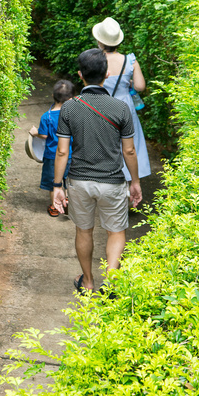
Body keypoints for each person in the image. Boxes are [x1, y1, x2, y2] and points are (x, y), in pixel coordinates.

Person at [52, 49, 142, 294]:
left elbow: (62, 152)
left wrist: (57, 186)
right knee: (115, 231)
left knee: (84, 231)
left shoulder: (69, 108)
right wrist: (134, 181)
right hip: (112, 181)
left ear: (80, 75)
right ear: (108, 74)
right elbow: (129, 152)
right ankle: (111, 283)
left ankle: (89, 282)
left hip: (79, 182)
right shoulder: (121, 108)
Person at [92, 17, 151, 182]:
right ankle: (128, 181)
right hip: (125, 106)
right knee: (129, 145)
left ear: (100, 41)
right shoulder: (130, 60)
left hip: (100, 106)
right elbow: (140, 86)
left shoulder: (96, 60)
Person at [30, 79, 74, 216]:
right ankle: (66, 202)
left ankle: (55, 206)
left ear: (53, 96)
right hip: (70, 154)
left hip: (51, 156)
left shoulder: (46, 117)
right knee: (66, 179)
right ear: (71, 98)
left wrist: (34, 132)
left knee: (54, 181)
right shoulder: (72, 115)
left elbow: (43, 135)